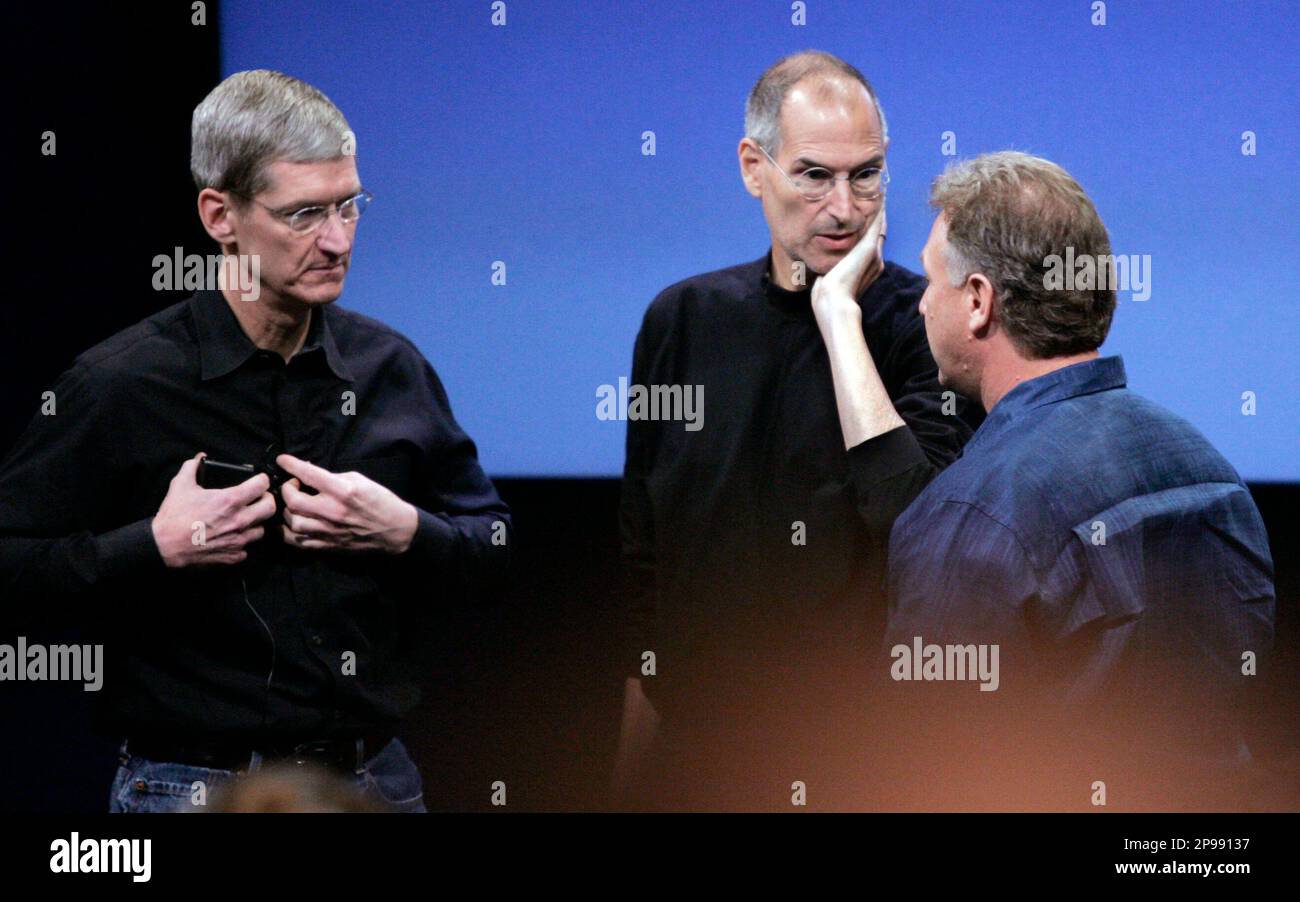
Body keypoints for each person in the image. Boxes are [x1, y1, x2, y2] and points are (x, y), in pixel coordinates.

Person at [0, 70, 511, 813]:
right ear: (220, 215)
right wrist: (149, 546)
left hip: (370, 784)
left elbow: (492, 547)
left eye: (349, 206)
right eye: (303, 215)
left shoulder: (390, 369)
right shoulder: (122, 386)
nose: (337, 241)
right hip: (189, 788)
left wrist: (407, 531)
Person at [614, 51, 977, 810]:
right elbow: (646, 554)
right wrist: (634, 762)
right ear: (754, 167)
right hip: (698, 750)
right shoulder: (681, 320)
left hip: (866, 755)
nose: (844, 208)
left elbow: (916, 525)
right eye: (814, 175)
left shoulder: (927, 329)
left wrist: (839, 313)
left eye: (867, 175)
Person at [882, 151, 1275, 809]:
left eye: (930, 280)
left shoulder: (966, 516)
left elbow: (924, 767)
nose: (921, 303)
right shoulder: (1217, 477)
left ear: (978, 301)